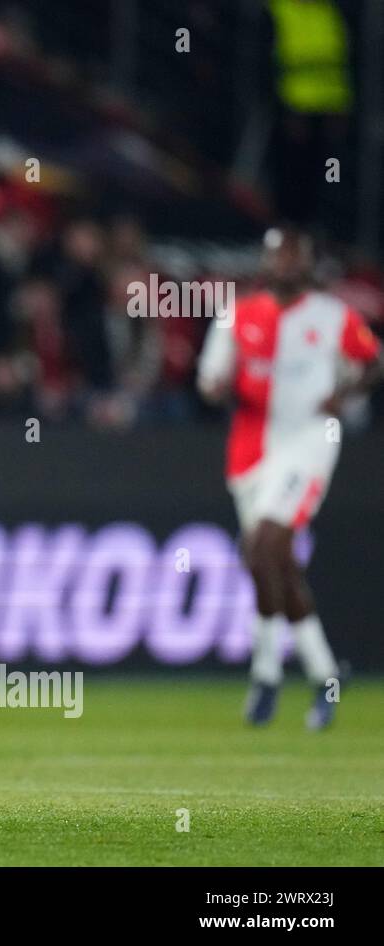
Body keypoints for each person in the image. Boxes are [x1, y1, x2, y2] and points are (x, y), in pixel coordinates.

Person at [197, 227, 382, 729]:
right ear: (265, 261)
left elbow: (371, 361)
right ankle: (323, 675)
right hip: (251, 450)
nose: (283, 266)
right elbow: (211, 379)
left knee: (264, 546)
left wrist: (345, 396)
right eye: (276, 257)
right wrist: (217, 386)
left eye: (292, 257)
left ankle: (265, 674)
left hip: (308, 441)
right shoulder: (237, 315)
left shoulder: (333, 315)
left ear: (306, 263)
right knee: (271, 562)